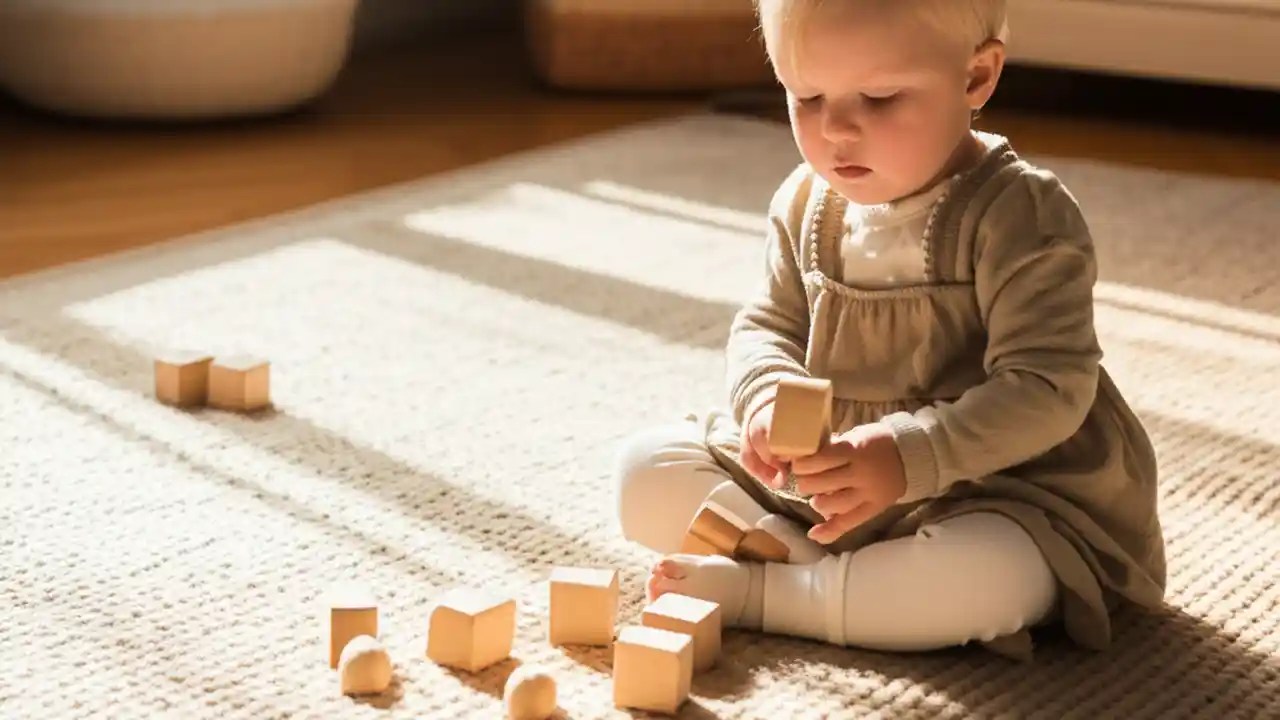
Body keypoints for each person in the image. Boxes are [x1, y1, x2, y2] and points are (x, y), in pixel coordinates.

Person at [612, 0, 1166, 656]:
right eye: (807, 95)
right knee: (643, 471)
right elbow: (768, 324)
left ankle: (766, 593)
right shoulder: (802, 203)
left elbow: (1049, 386)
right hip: (830, 486)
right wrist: (766, 393)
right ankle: (811, 565)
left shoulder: (1022, 216)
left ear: (976, 79)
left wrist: (909, 456)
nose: (837, 130)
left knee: (983, 578)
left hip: (995, 490)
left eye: (878, 98)